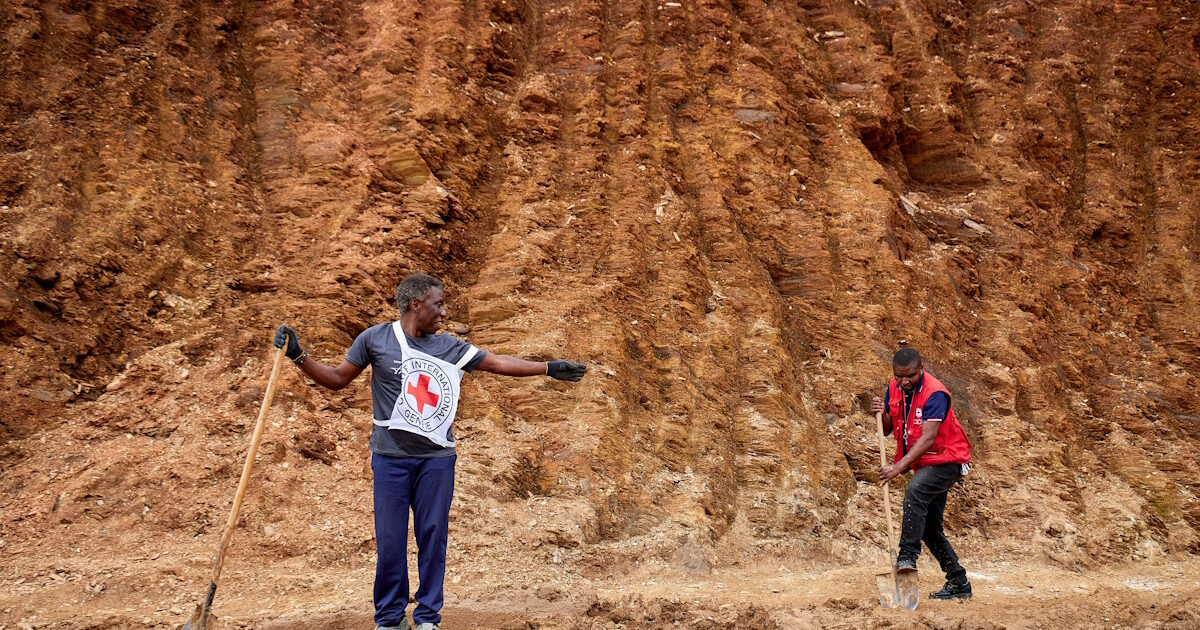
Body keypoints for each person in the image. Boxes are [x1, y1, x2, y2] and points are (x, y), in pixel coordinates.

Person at [273, 273, 586, 630]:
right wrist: (298, 356)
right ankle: (390, 619)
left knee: (432, 537)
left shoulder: (450, 347)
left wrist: (547, 368)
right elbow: (337, 378)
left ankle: (426, 619)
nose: (444, 312)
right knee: (390, 541)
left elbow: (498, 363)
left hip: (436, 461)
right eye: (438, 304)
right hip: (390, 460)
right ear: (415, 305)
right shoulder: (375, 339)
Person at [871, 347, 972, 600]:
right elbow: (886, 429)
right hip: (925, 464)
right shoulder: (894, 389)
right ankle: (958, 583)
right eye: (899, 377)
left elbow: (928, 438)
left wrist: (897, 467)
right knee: (928, 528)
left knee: (915, 489)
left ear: (921, 370)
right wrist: (881, 413)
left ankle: (906, 557)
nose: (904, 382)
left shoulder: (934, 393)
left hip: (948, 459)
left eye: (910, 376)